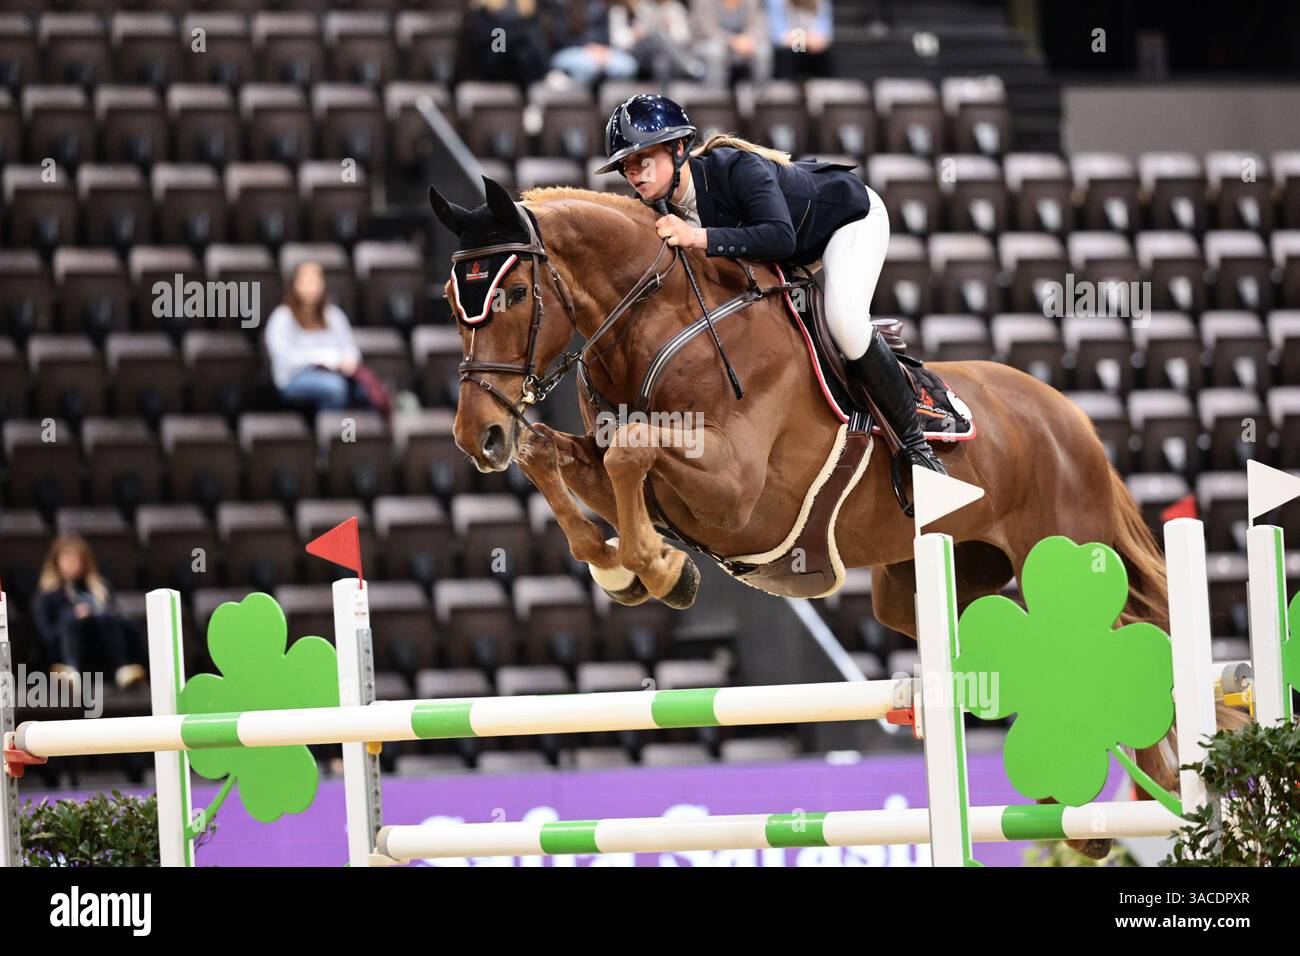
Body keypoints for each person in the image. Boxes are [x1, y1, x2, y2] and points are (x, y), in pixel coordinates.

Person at [595, 93, 946, 474]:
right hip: (785, 253)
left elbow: (781, 238)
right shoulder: (656, 207)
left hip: (845, 222)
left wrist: (699, 238)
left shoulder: (738, 168)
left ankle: (915, 445)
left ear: (679, 149)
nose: (635, 173)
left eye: (643, 159)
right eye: (626, 166)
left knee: (844, 320)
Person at [266, 261, 392, 416]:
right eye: (305, 281)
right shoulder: (282, 317)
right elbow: (284, 359)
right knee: (334, 388)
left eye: (315, 281)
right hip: (294, 378)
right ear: (294, 285)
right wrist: (322, 358)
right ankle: (331, 435)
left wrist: (348, 360)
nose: (311, 287)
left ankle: (357, 437)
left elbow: (350, 348)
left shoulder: (334, 315)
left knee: (365, 390)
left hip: (335, 372)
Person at [34, 535, 147, 692]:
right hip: (66, 652)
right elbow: (46, 636)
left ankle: (121, 670)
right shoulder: (48, 596)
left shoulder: (99, 590)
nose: (72, 565)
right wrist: (74, 616)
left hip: (101, 653)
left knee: (107, 618)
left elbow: (120, 621)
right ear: (56, 562)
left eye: (76, 560)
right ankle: (71, 671)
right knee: (71, 619)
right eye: (67, 560)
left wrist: (95, 613)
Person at [548, 0, 639, 86]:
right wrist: (589, 48)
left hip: (601, 51)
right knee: (588, 67)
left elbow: (606, 35)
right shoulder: (563, 5)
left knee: (627, 65)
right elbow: (562, 37)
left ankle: (613, 99)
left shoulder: (602, 5)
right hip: (570, 50)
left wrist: (601, 50)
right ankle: (569, 88)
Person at [690, 0, 771, 85]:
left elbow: (759, 26)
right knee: (716, 51)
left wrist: (747, 40)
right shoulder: (704, 2)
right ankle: (714, 94)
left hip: (743, 45)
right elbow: (706, 30)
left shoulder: (752, 2)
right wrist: (732, 41)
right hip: (709, 44)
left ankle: (760, 94)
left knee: (763, 49)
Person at [767, 0, 833, 80]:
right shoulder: (776, 2)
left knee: (824, 55)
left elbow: (825, 36)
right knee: (789, 54)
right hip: (788, 53)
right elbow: (778, 37)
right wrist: (805, 39)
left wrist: (805, 40)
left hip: (812, 52)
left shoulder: (821, 2)